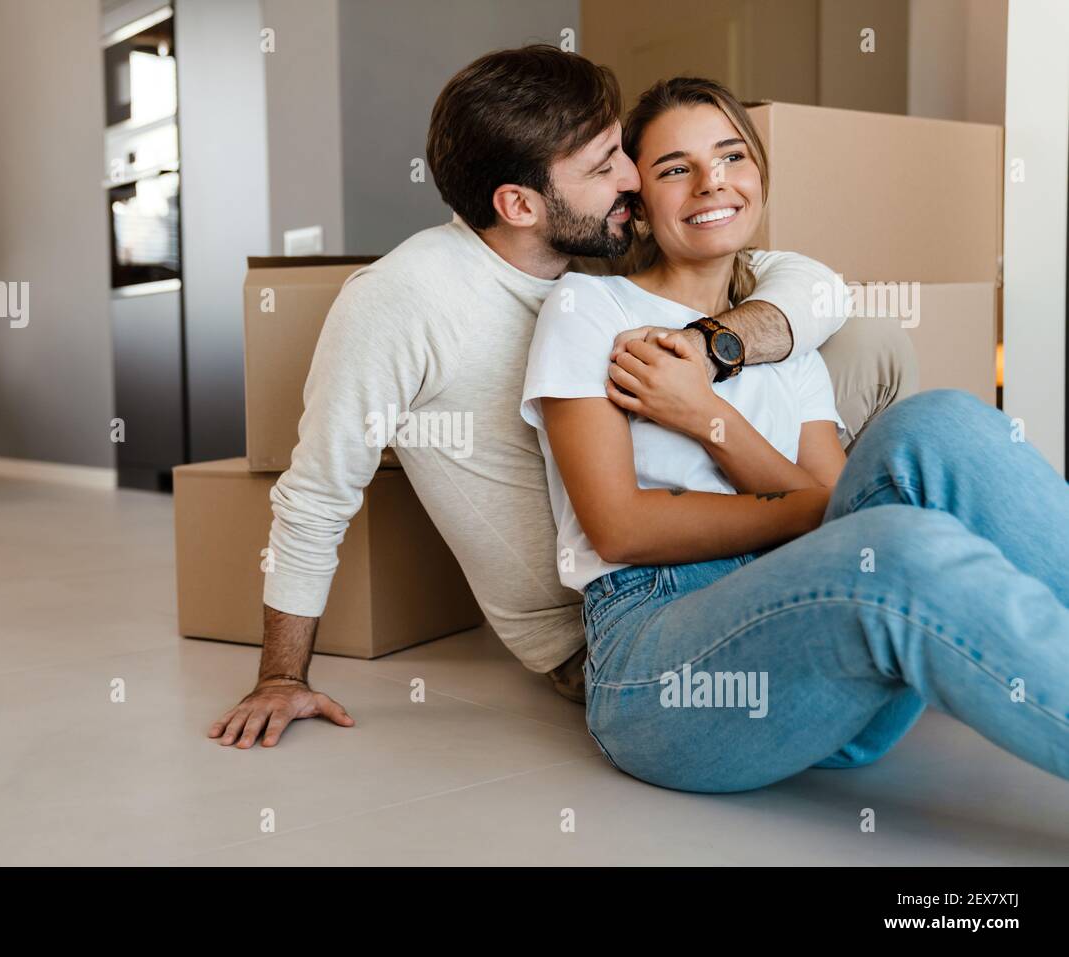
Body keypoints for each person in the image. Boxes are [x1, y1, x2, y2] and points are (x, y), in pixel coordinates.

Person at [209, 45, 915, 750]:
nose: (632, 178)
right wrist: (280, 675)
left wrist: (710, 345)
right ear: (519, 204)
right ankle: (836, 533)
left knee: (871, 341)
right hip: (611, 611)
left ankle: (841, 541)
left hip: (714, 521)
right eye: (604, 165)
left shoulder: (603, 242)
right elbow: (317, 492)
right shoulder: (404, 300)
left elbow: (812, 282)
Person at [521, 76, 1069, 792]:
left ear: (758, 176)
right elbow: (619, 527)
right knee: (900, 547)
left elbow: (826, 503)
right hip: (664, 668)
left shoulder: (782, 338)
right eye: (676, 169)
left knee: (939, 420)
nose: (712, 183)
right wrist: (812, 503)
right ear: (643, 208)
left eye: (731, 157)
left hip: (817, 650)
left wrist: (703, 416)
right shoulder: (589, 306)